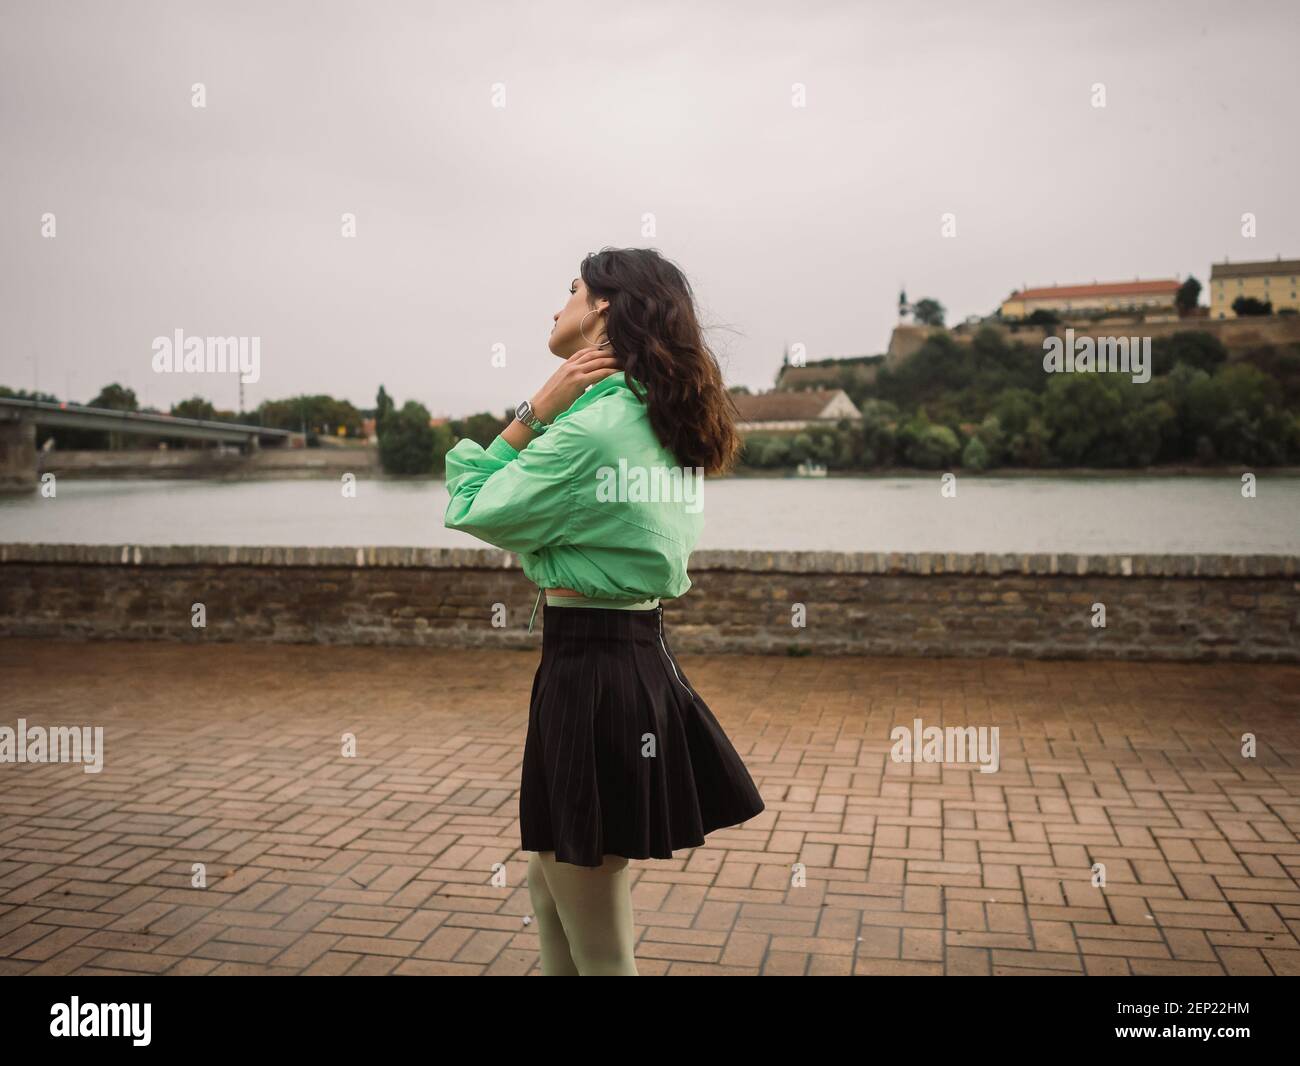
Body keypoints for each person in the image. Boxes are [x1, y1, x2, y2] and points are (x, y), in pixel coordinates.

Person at [443, 247, 766, 976]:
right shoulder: (660, 418)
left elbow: (469, 504)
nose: (557, 306)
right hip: (634, 662)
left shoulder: (589, 430)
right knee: (552, 879)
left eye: (570, 290)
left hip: (591, 673)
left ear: (603, 311)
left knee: (599, 941)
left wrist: (536, 407)